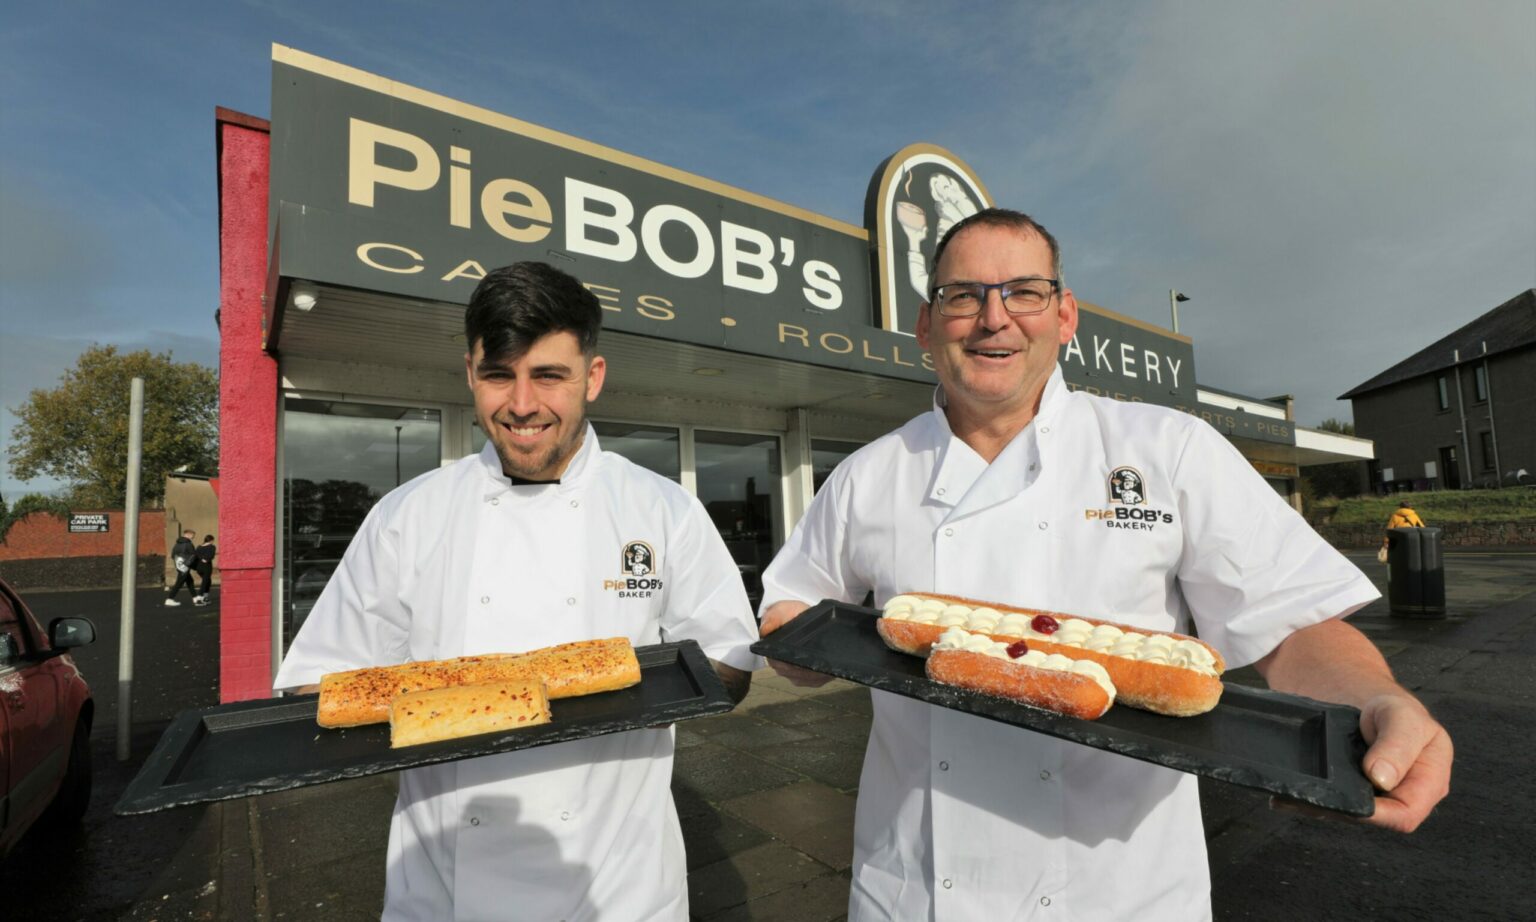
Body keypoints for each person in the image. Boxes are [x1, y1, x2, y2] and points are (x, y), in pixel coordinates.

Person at [759, 209, 1453, 920]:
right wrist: (795, 646)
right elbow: (797, 611)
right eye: (962, 295)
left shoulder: (1168, 449)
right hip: (917, 885)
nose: (993, 318)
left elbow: (1290, 626)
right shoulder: (867, 475)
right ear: (926, 326)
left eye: (1023, 292)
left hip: (1119, 893)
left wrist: (1379, 700)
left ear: (1064, 317)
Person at [272, 262, 761, 922]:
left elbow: (729, 668)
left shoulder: (663, 510)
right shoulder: (406, 515)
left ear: (593, 377)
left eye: (549, 376)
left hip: (619, 889)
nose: (522, 404)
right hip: (443, 889)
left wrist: (631, 682)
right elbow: (320, 686)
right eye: (500, 374)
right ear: (471, 373)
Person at [164, 528, 198, 606]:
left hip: (179, 565)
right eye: (193, 535)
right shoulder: (188, 543)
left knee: (190, 581)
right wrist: (190, 564)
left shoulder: (177, 544)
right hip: (185, 566)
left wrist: (179, 562)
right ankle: (170, 599)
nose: (193, 537)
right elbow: (193, 555)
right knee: (179, 583)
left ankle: (195, 598)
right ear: (188, 534)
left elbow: (173, 555)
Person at [192, 535, 217, 605]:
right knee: (205, 582)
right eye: (213, 540)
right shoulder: (212, 547)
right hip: (206, 567)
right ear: (211, 540)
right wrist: (205, 559)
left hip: (199, 567)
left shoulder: (199, 547)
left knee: (208, 581)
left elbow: (195, 555)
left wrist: (202, 558)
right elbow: (210, 556)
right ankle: (199, 598)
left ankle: (205, 597)